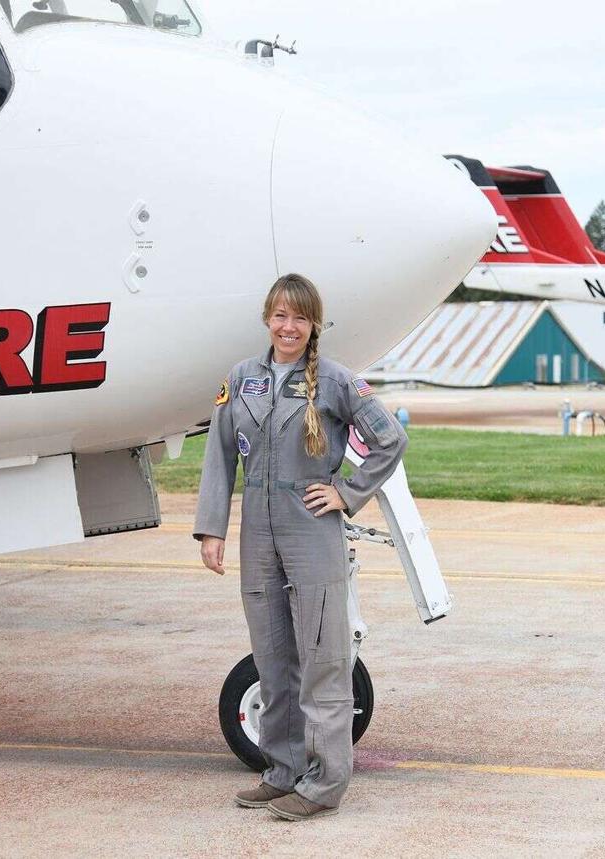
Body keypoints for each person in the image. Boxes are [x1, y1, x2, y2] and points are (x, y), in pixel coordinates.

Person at [194, 273, 408, 821]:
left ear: (314, 324)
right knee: (273, 658)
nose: (288, 327)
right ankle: (282, 772)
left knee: (321, 659)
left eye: (300, 318)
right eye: (280, 316)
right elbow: (220, 455)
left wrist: (347, 492)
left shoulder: (336, 380)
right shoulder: (242, 379)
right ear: (268, 319)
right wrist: (212, 528)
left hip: (311, 529)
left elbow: (390, 439)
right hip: (257, 531)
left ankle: (325, 783)